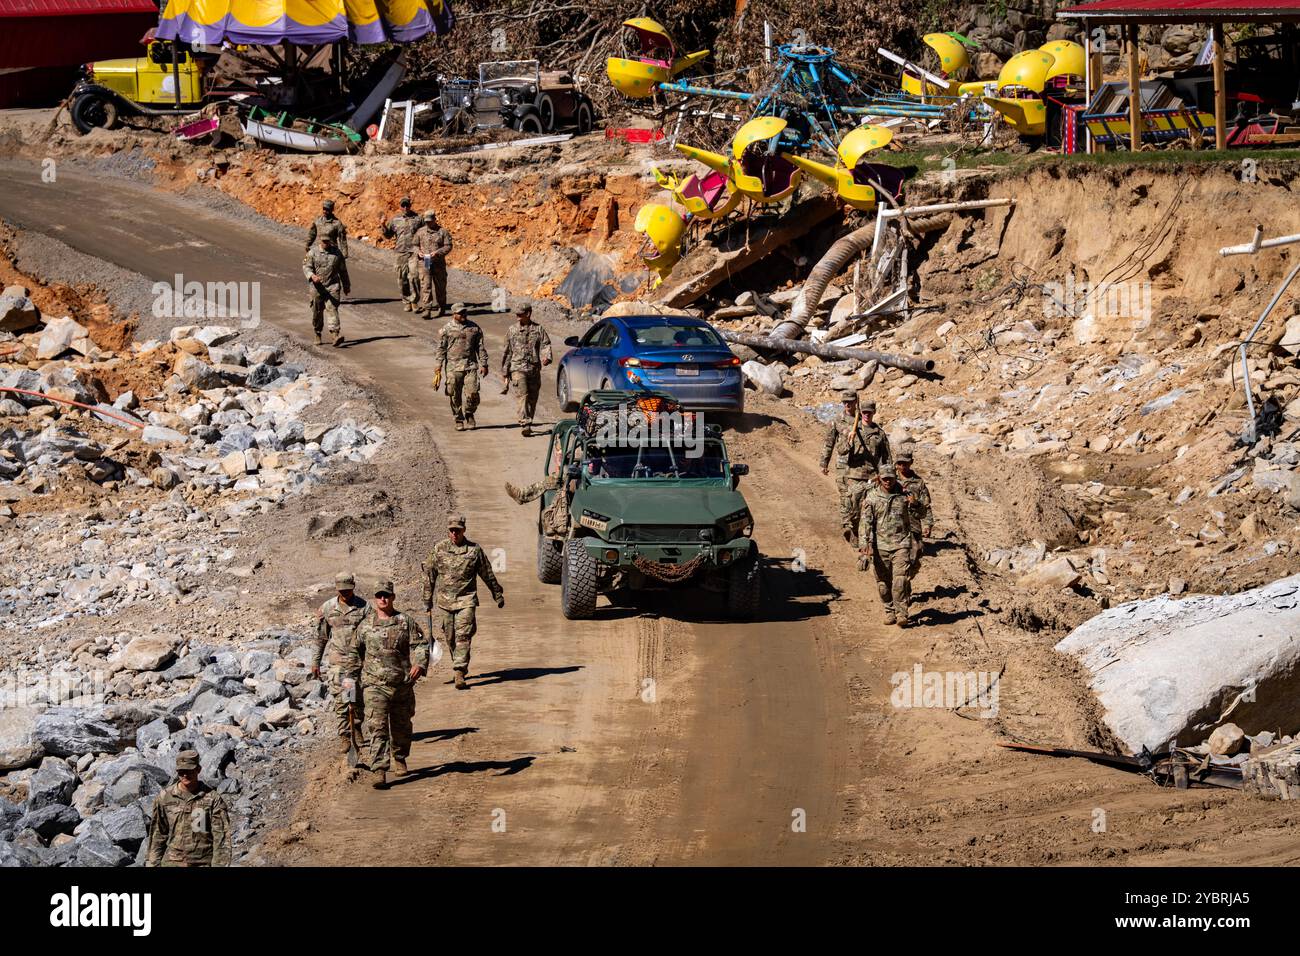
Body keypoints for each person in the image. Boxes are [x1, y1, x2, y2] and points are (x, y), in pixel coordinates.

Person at [354, 579, 428, 788]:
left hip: (402, 685)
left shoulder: (405, 621)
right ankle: (379, 769)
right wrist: (350, 679)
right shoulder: (365, 625)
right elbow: (354, 653)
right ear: (375, 599)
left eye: (386, 595)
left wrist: (420, 664)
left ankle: (400, 757)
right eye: (379, 595)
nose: (383, 599)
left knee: (402, 726)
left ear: (393, 597)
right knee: (377, 727)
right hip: (374, 686)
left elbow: (421, 644)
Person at [422, 514, 504, 690]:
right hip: (445, 602)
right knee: (450, 637)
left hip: (466, 601)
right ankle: (458, 661)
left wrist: (497, 593)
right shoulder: (439, 549)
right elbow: (429, 576)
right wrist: (426, 599)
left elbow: (487, 573)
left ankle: (459, 671)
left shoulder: (474, 551)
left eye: (458, 530)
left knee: (463, 636)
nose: (454, 534)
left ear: (464, 530)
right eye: (452, 530)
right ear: (448, 531)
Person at [821, 392, 892, 543]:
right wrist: (849, 440)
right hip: (853, 474)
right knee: (852, 506)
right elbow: (837, 447)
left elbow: (887, 458)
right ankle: (851, 529)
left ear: (873, 413)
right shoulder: (850, 428)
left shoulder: (879, 433)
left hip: (873, 476)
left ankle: (868, 539)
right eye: (864, 412)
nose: (867, 415)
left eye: (869, 412)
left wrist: (888, 476)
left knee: (871, 508)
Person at [311, 571, 368, 757]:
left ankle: (356, 727)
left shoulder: (364, 607)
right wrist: (315, 662)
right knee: (341, 700)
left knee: (356, 699)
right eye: (342, 591)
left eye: (348, 590)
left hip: (358, 662)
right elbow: (320, 638)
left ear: (354, 587)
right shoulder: (327, 608)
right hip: (338, 664)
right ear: (337, 589)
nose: (345, 594)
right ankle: (344, 736)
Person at [144, 750, 232, 867]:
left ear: (198, 770)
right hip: (172, 862)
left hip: (203, 862)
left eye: (189, 771)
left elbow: (221, 838)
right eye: (181, 772)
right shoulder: (164, 797)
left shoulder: (212, 799)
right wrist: (153, 863)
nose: (185, 775)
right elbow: (158, 834)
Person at [858, 469, 915, 627]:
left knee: (900, 580)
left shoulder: (905, 495)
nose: (888, 481)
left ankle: (901, 613)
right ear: (879, 479)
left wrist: (915, 504)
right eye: (884, 478)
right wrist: (864, 545)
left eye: (890, 478)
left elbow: (921, 513)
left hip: (901, 544)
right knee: (883, 585)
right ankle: (889, 611)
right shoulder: (872, 498)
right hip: (880, 546)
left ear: (895, 478)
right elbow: (865, 524)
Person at [433, 306, 489, 430]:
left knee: (473, 393)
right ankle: (458, 419)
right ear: (454, 314)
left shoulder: (474, 328)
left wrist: (484, 364)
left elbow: (480, 347)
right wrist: (438, 365)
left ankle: (469, 413)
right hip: (453, 368)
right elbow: (441, 348)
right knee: (454, 395)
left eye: (464, 312)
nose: (463, 314)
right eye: (460, 313)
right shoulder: (446, 329)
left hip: (470, 366)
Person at [500, 304, 553, 435]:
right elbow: (507, 352)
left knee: (533, 398)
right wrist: (505, 372)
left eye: (520, 314)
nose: (517, 317)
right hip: (517, 368)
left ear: (528, 314)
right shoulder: (512, 330)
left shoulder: (538, 329)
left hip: (534, 369)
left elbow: (546, 344)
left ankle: (529, 419)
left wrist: (546, 357)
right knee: (522, 395)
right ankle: (525, 423)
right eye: (516, 314)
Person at [303, 235, 349, 347]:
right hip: (317, 287)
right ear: (320, 241)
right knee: (317, 311)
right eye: (324, 241)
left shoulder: (337, 253)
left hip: (332, 286)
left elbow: (343, 270)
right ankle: (317, 333)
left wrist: (346, 285)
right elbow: (306, 267)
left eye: (328, 241)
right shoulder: (312, 253)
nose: (326, 243)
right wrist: (312, 276)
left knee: (332, 309)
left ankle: (335, 335)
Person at [895, 447, 934, 577]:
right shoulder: (890, 479)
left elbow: (926, 505)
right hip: (893, 523)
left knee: (917, 552)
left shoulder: (918, 482)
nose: (902, 466)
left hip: (913, 523)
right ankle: (900, 581)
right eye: (899, 463)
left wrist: (928, 524)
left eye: (905, 463)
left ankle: (907, 576)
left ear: (911, 462)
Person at [378, 196, 422, 311]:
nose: (405, 207)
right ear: (400, 207)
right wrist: (382, 225)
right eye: (403, 205)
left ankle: (415, 301)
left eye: (407, 204)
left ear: (410, 205)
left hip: (414, 252)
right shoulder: (395, 220)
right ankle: (406, 301)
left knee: (415, 276)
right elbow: (388, 235)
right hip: (400, 252)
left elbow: (425, 233)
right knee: (402, 279)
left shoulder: (418, 218)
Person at [414, 210, 452, 319]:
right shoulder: (420, 232)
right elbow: (414, 245)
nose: (428, 223)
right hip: (425, 262)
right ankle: (427, 309)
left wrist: (438, 252)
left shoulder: (442, 232)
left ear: (435, 220)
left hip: (438, 263)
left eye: (430, 221)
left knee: (440, 286)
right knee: (426, 285)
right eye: (426, 222)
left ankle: (442, 307)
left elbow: (448, 246)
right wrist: (418, 252)